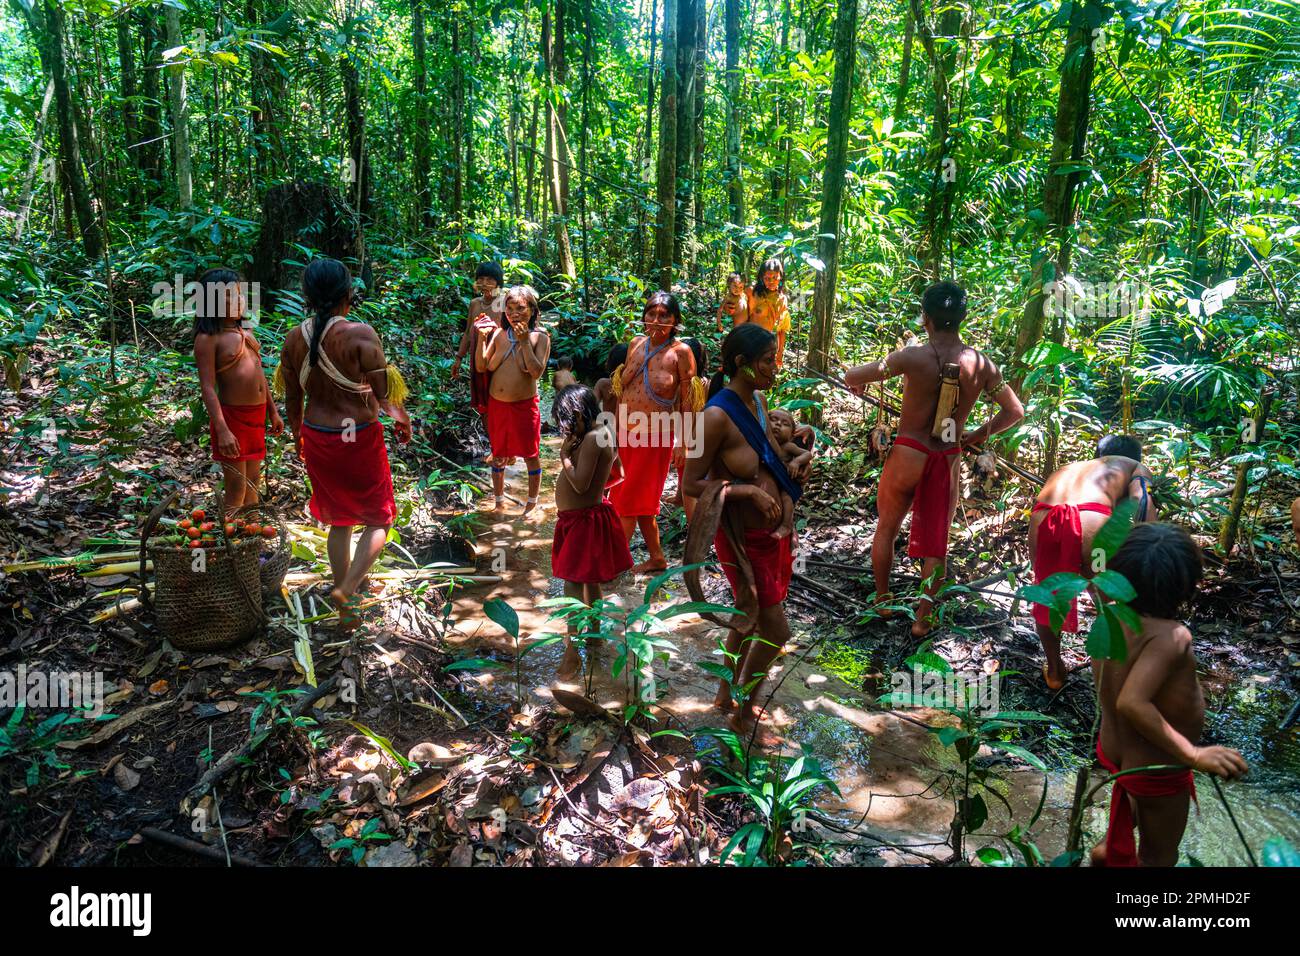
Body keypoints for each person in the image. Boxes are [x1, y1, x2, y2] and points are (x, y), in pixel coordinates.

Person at [844, 281, 1024, 637]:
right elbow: (1014, 411)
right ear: (963, 317)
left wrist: (859, 383)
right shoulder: (982, 364)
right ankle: (921, 619)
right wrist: (975, 435)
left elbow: (852, 375)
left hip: (908, 454)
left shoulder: (911, 356)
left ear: (925, 317)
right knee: (936, 544)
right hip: (946, 457)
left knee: (886, 528)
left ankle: (882, 601)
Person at [683, 324, 812, 746]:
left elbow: (771, 456)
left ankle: (724, 695)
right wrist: (748, 492)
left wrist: (797, 458)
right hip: (743, 539)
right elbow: (690, 483)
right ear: (741, 363)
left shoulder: (758, 400)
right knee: (776, 632)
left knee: (746, 613)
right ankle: (744, 712)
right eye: (767, 360)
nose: (775, 367)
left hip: (772, 535)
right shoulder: (715, 416)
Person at [1092, 522, 1248, 867]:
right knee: (1158, 857)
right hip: (1156, 767)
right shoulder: (1171, 637)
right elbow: (1132, 702)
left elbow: (1097, 563)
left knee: (1131, 810)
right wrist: (1194, 754)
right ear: (1187, 585)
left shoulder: (1109, 617)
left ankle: (1107, 852)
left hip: (1119, 753)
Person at [277, 259, 412, 630]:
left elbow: (292, 398)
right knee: (380, 518)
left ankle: (345, 609)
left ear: (306, 296)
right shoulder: (361, 334)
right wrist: (403, 419)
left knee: (340, 521)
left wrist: (297, 437)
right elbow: (385, 396)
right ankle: (349, 589)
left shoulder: (292, 339)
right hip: (358, 438)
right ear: (348, 295)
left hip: (318, 436)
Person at [1030, 434, 1158, 688]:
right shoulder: (1135, 467)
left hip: (1044, 521)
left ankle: (1055, 672)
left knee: (1048, 595)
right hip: (1092, 521)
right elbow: (1141, 500)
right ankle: (1117, 675)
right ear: (1137, 456)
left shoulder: (1069, 468)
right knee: (1108, 596)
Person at [608, 292, 698, 573]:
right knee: (636, 501)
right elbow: (620, 391)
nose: (656, 320)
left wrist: (683, 444)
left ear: (675, 321)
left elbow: (688, 402)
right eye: (651, 314)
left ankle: (613, 564)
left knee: (628, 502)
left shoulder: (681, 353)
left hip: (655, 438)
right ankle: (657, 558)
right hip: (626, 434)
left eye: (664, 316)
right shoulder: (635, 344)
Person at [551, 384, 633, 680]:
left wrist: (564, 457)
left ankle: (571, 649)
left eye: (567, 423)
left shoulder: (593, 438)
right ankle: (595, 635)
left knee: (573, 582)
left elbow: (581, 483)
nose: (566, 432)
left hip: (582, 520)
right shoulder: (604, 433)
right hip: (587, 515)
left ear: (577, 414)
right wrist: (598, 495)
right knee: (591, 580)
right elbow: (618, 475)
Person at [193, 267, 283, 515]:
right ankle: (230, 545)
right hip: (232, 420)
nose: (240, 300)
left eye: (241, 294)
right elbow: (208, 387)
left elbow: (260, 375)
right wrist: (222, 429)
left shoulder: (246, 332)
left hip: (256, 416)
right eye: (231, 295)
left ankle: (250, 540)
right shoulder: (208, 339)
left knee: (254, 483)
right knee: (236, 488)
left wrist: (272, 411)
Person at [476, 285, 550, 515]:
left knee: (530, 455)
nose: (515, 313)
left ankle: (531, 503)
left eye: (521, 308)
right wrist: (481, 338)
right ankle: (499, 502)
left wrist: (524, 341)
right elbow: (481, 366)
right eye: (510, 308)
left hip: (525, 406)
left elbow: (536, 372)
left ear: (533, 310)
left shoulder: (541, 337)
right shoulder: (498, 334)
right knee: (498, 454)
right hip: (498, 405)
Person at [452, 262, 505, 419]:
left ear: (498, 282)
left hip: (499, 361)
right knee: (484, 405)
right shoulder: (475, 303)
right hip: (478, 359)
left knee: (500, 402)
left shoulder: (505, 302)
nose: (485, 284)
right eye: (480, 279)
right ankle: (492, 442)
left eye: (490, 280)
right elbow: (468, 333)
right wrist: (458, 358)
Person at [669, 337, 711, 518]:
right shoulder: (706, 382)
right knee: (688, 478)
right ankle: (679, 498)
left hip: (687, 439)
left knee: (689, 486)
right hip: (704, 437)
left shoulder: (683, 386)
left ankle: (694, 527)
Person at [767, 408, 812, 541]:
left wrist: (796, 462)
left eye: (785, 424)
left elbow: (807, 454)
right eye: (773, 420)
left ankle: (787, 525)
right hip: (770, 483)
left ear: (792, 435)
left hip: (785, 483)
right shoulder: (761, 441)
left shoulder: (788, 447)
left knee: (786, 498)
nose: (778, 424)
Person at [748, 259, 792, 368]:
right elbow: (742, 319)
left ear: (780, 277)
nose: (771, 282)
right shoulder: (753, 293)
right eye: (767, 278)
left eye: (775, 278)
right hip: (751, 342)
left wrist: (780, 353)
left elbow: (782, 330)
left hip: (769, 346)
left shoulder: (782, 299)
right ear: (762, 278)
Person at [593, 343, 628, 417]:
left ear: (610, 361)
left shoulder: (602, 383)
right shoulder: (632, 384)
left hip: (609, 425)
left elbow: (592, 406)